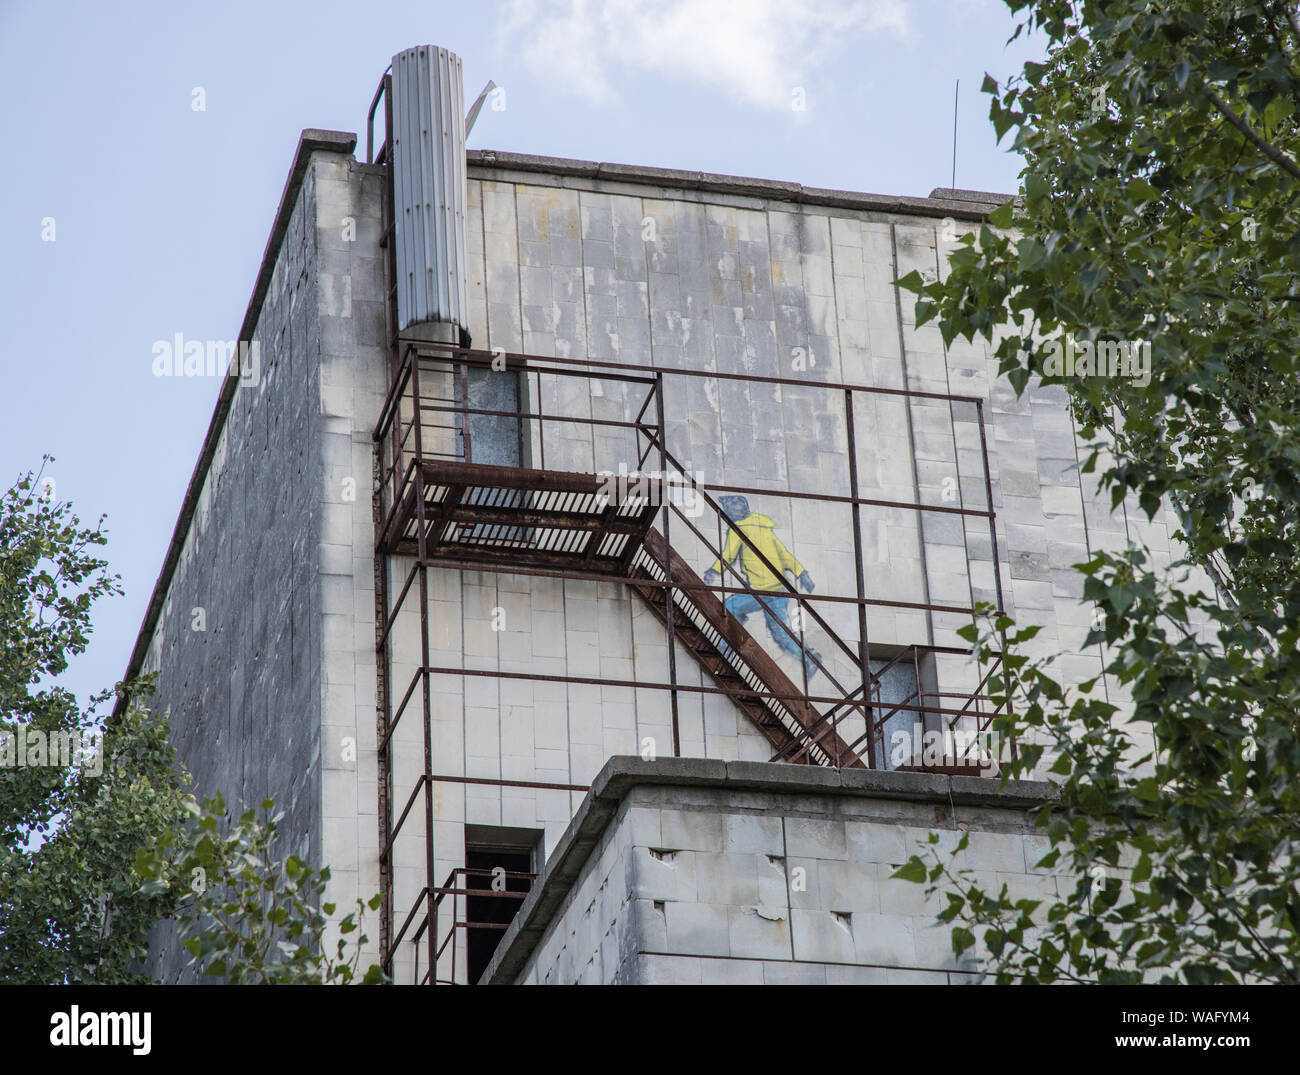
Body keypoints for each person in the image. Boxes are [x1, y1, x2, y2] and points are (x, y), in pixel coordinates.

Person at [702, 495, 822, 681]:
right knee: (780, 634)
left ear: (739, 511)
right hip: (778, 589)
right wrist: (801, 572)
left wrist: (713, 571)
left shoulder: (739, 529)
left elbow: (728, 556)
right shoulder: (762, 526)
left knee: (731, 608)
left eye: (729, 509)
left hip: (762, 591)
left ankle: (724, 651)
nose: (728, 513)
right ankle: (809, 658)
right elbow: (784, 554)